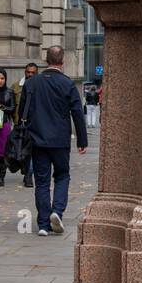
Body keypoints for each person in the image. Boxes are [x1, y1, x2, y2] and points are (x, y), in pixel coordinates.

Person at [25, 45, 87, 236]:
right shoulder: (67, 84)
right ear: (62, 61)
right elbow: (77, 113)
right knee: (62, 176)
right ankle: (57, 211)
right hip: (60, 140)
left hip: (37, 139)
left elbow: (23, 112)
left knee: (42, 181)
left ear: (46, 60)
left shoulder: (32, 83)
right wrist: (82, 141)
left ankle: (43, 224)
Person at [16, 62, 39, 185]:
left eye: (33, 72)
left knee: (33, 151)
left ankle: (29, 174)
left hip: (38, 123)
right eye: (28, 72)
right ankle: (27, 173)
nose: (30, 74)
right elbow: (18, 106)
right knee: (25, 150)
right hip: (24, 123)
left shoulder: (41, 86)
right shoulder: (17, 86)